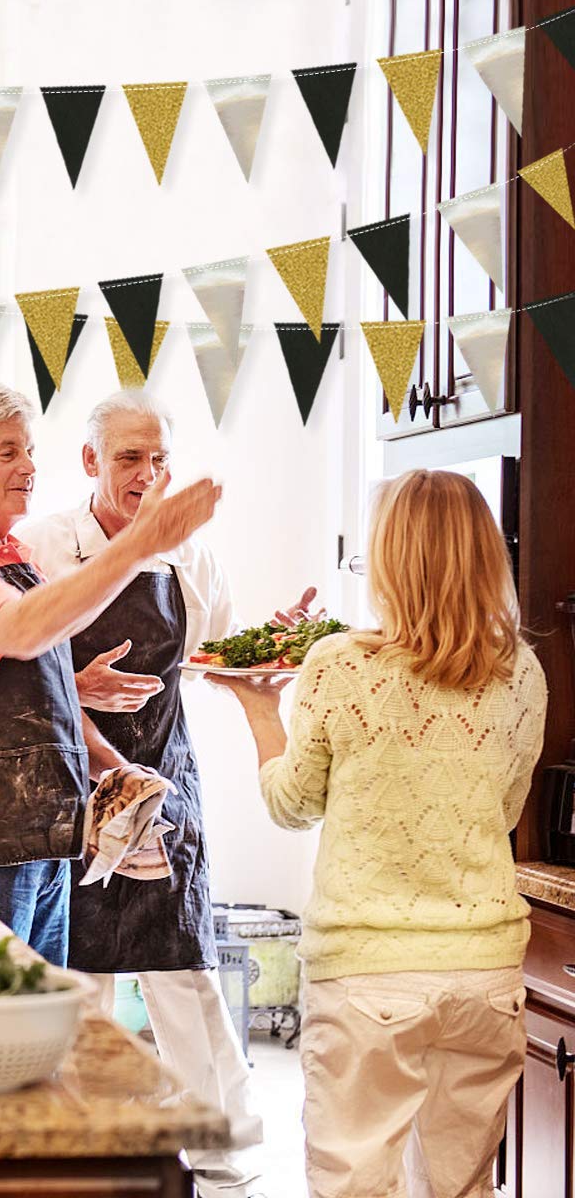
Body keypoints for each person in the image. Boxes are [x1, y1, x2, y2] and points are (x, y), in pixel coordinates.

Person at [212, 469, 547, 1198]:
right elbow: (507, 809)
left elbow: (293, 805)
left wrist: (260, 711)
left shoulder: (339, 666)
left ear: (391, 558)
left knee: (355, 1187)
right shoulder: (521, 670)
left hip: (369, 977)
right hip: (486, 975)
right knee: (464, 1188)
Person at [22, 390, 310, 1198]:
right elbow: (9, 661)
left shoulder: (194, 558)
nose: (148, 476)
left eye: (158, 460)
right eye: (128, 459)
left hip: (165, 768)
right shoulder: (44, 545)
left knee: (179, 955)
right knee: (77, 965)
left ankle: (220, 1137)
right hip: (68, 775)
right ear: (89, 463)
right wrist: (72, 684)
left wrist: (270, 647)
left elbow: (210, 661)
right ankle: (78, 1135)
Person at [0, 383, 222, 966]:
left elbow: (48, 696)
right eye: (8, 451)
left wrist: (122, 776)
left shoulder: (13, 558)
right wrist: (142, 541)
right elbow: (22, 631)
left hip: (45, 833)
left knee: (40, 1028)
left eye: (30, 451)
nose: (29, 467)